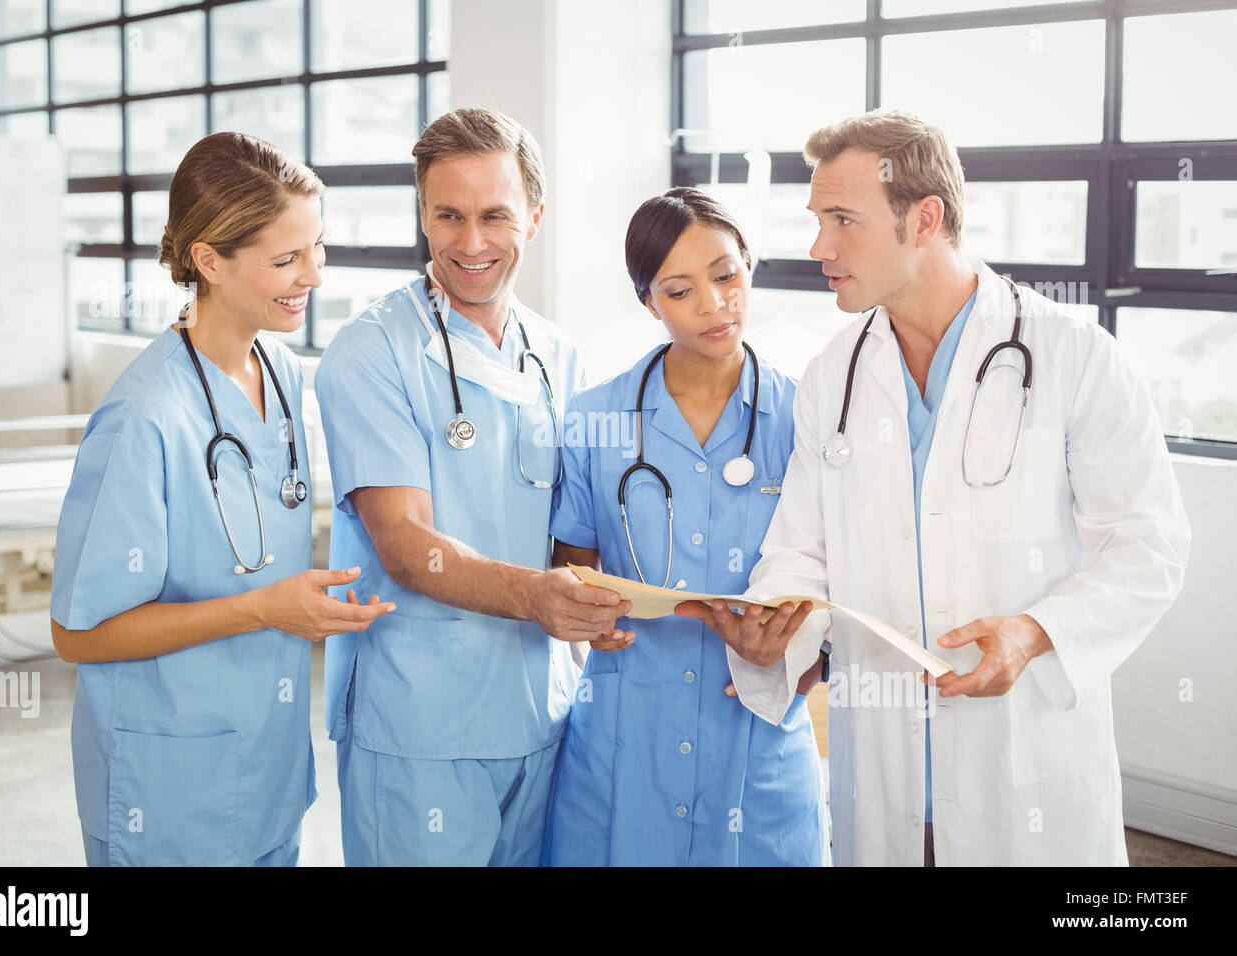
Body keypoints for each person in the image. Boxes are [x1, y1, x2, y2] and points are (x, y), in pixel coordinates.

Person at [680, 110, 1190, 866]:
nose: (819, 247)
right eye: (818, 220)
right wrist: (776, 620)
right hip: (880, 777)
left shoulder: (1072, 356)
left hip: (1021, 774)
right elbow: (801, 553)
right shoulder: (835, 376)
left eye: (842, 221)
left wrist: (1035, 630)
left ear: (925, 219)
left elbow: (1148, 548)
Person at [50, 132, 393, 867]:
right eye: (286, 259)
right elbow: (79, 635)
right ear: (208, 260)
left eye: (318, 247)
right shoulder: (143, 417)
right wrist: (264, 609)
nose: (315, 275)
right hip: (167, 789)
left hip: (265, 769)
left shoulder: (283, 368)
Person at [314, 108, 629, 867]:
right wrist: (539, 598)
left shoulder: (558, 357)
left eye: (494, 215)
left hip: (542, 716)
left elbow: (575, 530)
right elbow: (402, 542)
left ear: (535, 217)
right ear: (422, 214)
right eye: (447, 215)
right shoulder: (372, 351)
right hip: (423, 728)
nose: (470, 242)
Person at [541, 188, 829, 866]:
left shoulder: (806, 417)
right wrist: (587, 612)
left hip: (756, 730)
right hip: (623, 735)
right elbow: (572, 567)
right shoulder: (596, 419)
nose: (713, 304)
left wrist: (797, 668)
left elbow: (836, 583)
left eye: (726, 275)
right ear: (650, 302)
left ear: (749, 267)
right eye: (679, 290)